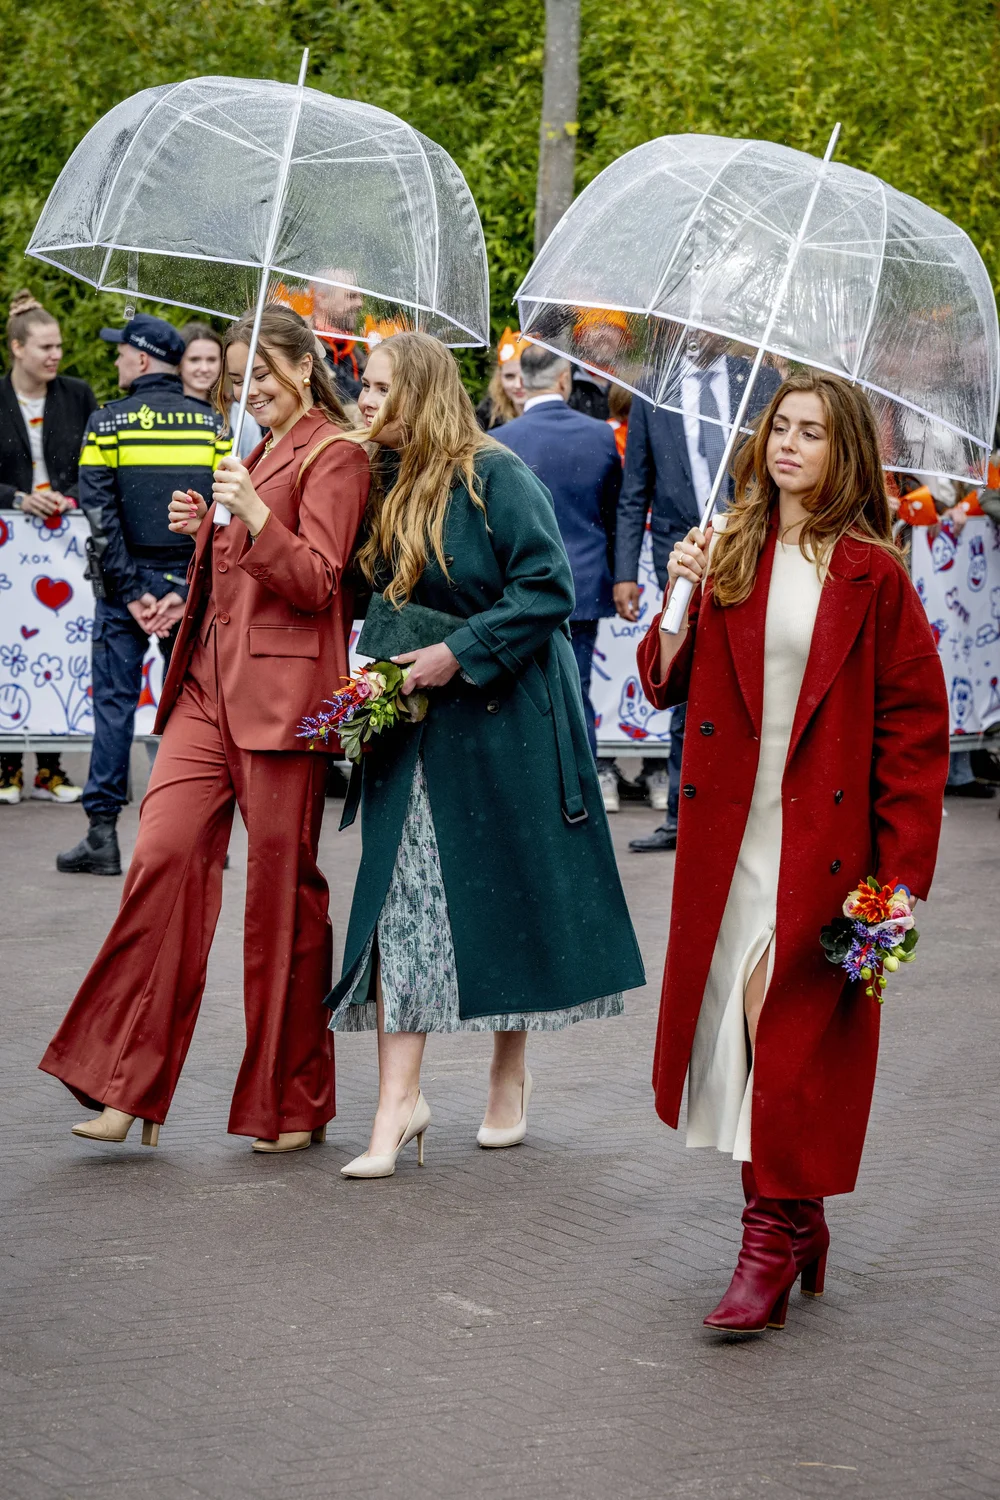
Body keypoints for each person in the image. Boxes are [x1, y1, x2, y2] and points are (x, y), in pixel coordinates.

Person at [636, 371, 949, 1333]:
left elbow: (914, 732)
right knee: (736, 1029)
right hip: (731, 840)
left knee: (787, 1028)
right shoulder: (728, 551)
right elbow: (658, 681)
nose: (789, 446)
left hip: (824, 845)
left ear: (842, 451)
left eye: (812, 433)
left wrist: (900, 883)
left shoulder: (872, 574)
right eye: (781, 428)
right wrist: (680, 589)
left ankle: (767, 1243)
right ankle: (797, 1220)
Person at [40, 304, 370, 1152]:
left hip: (282, 703)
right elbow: (241, 574)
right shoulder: (252, 453)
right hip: (203, 688)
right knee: (159, 861)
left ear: (303, 366)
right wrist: (208, 535)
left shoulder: (337, 455)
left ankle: (290, 1103)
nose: (246, 386)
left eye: (261, 372)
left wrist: (253, 518)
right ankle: (125, 1086)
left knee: (280, 898)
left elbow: (320, 580)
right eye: (236, 374)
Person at [327, 331, 644, 1178]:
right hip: (414, 726)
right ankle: (398, 1106)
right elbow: (350, 583)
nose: (364, 397)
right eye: (362, 383)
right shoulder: (379, 479)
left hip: (506, 717)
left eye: (380, 385)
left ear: (422, 392)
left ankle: (510, 1073)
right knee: (402, 904)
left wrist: (455, 652)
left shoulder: (498, 474)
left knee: (510, 894)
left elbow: (548, 588)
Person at [54, 314, 230, 876]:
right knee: (199, 710)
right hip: (188, 590)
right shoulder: (212, 425)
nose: (115, 360)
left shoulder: (107, 423)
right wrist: (174, 590)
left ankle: (101, 837)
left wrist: (133, 592)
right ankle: (207, 837)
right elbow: (220, 519)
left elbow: (99, 515)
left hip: (121, 591)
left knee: (113, 706)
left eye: (121, 351)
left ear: (144, 359)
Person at [616, 336, 781, 847]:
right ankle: (681, 818)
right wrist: (626, 572)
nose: (692, 334)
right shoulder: (652, 388)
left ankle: (749, 808)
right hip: (683, 556)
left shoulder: (759, 381)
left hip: (751, 546)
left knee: (751, 676)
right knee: (688, 679)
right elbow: (634, 487)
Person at [493, 344, 621, 802]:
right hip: (582, 584)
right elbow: (611, 513)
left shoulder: (502, 439)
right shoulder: (600, 435)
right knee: (577, 691)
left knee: (521, 696)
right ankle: (581, 789)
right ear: (564, 380)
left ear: (522, 382)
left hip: (517, 588)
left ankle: (529, 789)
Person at [0, 291, 97, 806]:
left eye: (59, 345)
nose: (55, 354)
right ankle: (7, 768)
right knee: (10, 650)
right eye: (45, 346)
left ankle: (52, 770)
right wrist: (16, 498)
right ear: (18, 348)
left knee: (59, 651)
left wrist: (73, 498)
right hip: (9, 550)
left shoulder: (77, 395)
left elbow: (97, 464)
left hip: (66, 542)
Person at [180, 320, 262, 466]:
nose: (204, 368)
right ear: (179, 363)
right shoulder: (163, 412)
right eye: (194, 360)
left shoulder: (241, 417)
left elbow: (254, 469)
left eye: (211, 360)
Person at [310, 269, 366, 404]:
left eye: (360, 297)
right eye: (351, 296)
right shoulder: (303, 349)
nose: (360, 304)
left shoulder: (355, 354)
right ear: (322, 299)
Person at [475, 328, 527, 430]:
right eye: (509, 376)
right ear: (499, 377)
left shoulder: (560, 415)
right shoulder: (485, 419)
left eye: (525, 376)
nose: (517, 385)